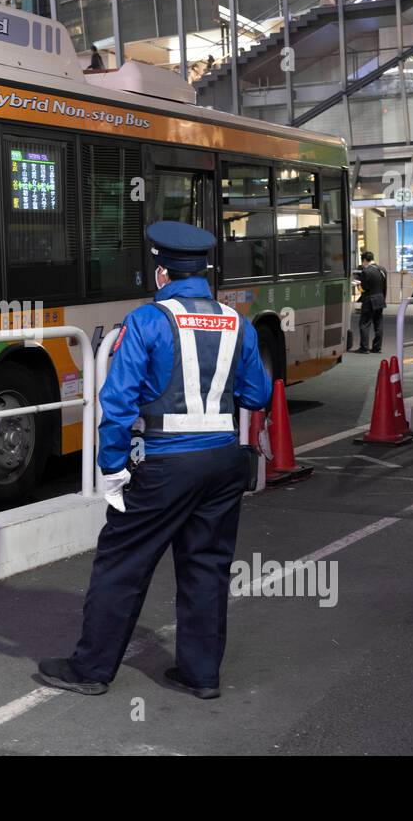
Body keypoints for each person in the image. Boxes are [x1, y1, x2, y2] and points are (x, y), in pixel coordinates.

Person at [37, 220, 273, 700]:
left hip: (166, 464)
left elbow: (117, 402)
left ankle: (92, 669)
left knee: (122, 564)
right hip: (224, 461)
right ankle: (200, 674)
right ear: (205, 271)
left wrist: (113, 468)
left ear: (161, 272)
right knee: (206, 566)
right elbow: (257, 392)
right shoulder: (237, 323)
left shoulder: (146, 321)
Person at [353, 249, 387, 353]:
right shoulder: (382, 269)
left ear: (364, 260)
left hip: (369, 300)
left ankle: (364, 347)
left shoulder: (366, 271)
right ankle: (377, 347)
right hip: (380, 298)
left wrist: (357, 284)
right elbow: (384, 287)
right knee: (378, 323)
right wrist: (383, 298)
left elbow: (364, 288)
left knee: (364, 323)